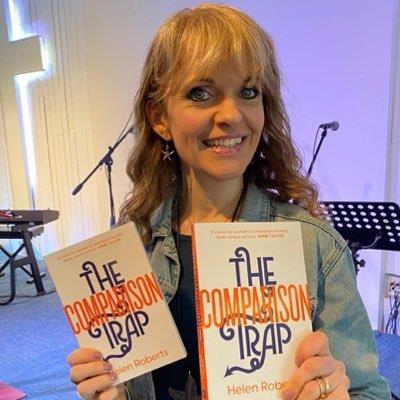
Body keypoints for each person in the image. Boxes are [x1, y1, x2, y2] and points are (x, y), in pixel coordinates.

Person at [67, 3, 391, 400]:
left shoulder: (314, 247)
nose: (232, 115)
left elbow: (369, 391)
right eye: (200, 93)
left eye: (248, 92)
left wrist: (334, 393)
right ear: (159, 118)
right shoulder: (134, 244)